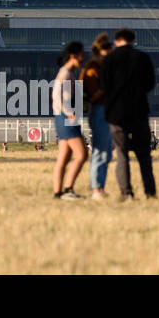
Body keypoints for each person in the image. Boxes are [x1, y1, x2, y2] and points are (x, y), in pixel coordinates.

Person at [101, 28, 156, 200]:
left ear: (116, 41)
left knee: (122, 154)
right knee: (144, 155)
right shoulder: (142, 58)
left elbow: (103, 86)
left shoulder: (109, 59)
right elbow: (150, 84)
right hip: (139, 111)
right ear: (133, 40)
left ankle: (126, 193)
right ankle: (150, 192)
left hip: (116, 114)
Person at [52, 41, 88, 200]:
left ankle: (58, 192)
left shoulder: (69, 72)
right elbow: (57, 96)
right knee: (82, 155)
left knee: (64, 157)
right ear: (73, 56)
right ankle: (68, 189)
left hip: (62, 118)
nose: (84, 57)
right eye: (81, 54)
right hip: (66, 118)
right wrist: (70, 114)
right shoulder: (65, 73)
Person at [81, 32, 113, 200]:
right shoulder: (92, 69)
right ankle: (96, 188)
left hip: (108, 110)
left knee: (107, 151)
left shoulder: (106, 67)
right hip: (99, 109)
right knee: (100, 151)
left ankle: (100, 186)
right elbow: (87, 93)